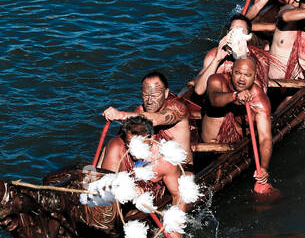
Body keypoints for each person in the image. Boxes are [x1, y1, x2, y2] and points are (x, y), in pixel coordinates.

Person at [101, 117, 188, 238]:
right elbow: (104, 187)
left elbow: (179, 195)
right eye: (129, 143)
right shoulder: (116, 147)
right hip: (121, 201)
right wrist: (127, 188)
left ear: (151, 139)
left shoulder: (165, 161)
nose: (133, 149)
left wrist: (176, 232)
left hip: (151, 198)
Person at [200, 55, 273, 190]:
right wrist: (234, 96)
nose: (241, 79)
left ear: (255, 75)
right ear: (231, 70)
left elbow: (265, 138)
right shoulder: (217, 80)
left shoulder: (260, 100)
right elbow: (214, 100)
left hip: (232, 154)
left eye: (247, 75)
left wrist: (264, 167)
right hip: (206, 150)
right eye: (238, 73)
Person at [103, 71, 192, 163]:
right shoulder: (140, 111)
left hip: (182, 167)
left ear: (166, 93)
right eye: (146, 96)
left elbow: (155, 119)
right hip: (152, 165)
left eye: (154, 96)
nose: (149, 101)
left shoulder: (178, 109)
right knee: (114, 144)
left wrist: (120, 115)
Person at [194, 15, 253, 97]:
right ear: (227, 34)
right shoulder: (214, 54)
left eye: (241, 31)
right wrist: (217, 59)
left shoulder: (254, 58)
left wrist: (241, 57)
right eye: (232, 31)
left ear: (249, 36)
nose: (236, 35)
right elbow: (199, 90)